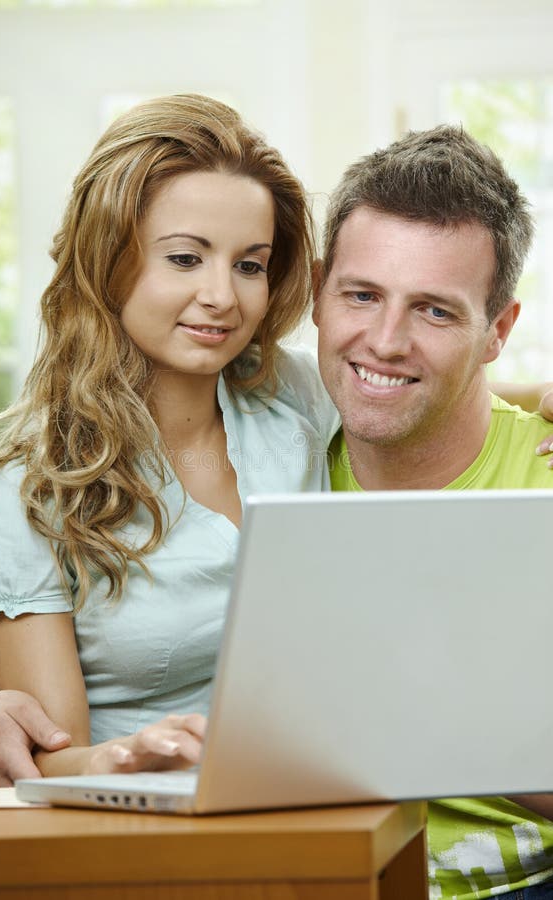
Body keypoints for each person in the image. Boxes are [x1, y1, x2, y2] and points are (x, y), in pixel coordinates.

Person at [0, 93, 339, 783]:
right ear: (110, 259)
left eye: (250, 264)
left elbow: (430, 401)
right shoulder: (32, 477)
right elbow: (47, 755)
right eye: (187, 258)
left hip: (295, 798)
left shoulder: (293, 395)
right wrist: (123, 758)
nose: (223, 295)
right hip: (128, 832)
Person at [312, 125, 553, 900]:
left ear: (498, 333)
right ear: (318, 291)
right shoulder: (267, 453)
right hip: (310, 874)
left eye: (435, 313)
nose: (383, 342)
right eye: (361, 294)